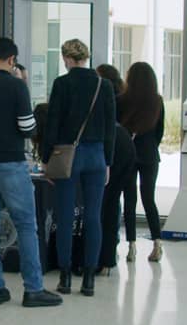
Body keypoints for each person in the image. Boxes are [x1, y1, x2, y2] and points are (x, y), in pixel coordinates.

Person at [0, 39, 60, 308]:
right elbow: (28, 128)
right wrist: (24, 84)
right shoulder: (16, 86)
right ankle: (33, 289)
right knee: (26, 225)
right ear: (11, 60)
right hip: (11, 165)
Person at [43, 38, 116, 297]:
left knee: (65, 216)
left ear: (66, 58)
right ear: (85, 58)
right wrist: (108, 161)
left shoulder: (62, 84)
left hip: (68, 155)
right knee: (93, 216)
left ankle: (64, 276)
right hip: (96, 155)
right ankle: (88, 279)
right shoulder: (103, 85)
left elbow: (52, 124)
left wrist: (46, 159)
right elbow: (110, 128)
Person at [119, 61, 166, 263]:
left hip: (128, 155)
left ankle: (131, 245)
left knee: (129, 200)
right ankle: (157, 242)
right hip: (149, 154)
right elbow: (159, 132)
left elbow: (118, 130)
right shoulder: (157, 101)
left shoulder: (122, 100)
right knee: (149, 199)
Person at [100, 119, 138, 274]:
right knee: (114, 203)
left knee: (106, 205)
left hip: (110, 144)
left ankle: (103, 259)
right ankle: (109, 259)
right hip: (125, 143)